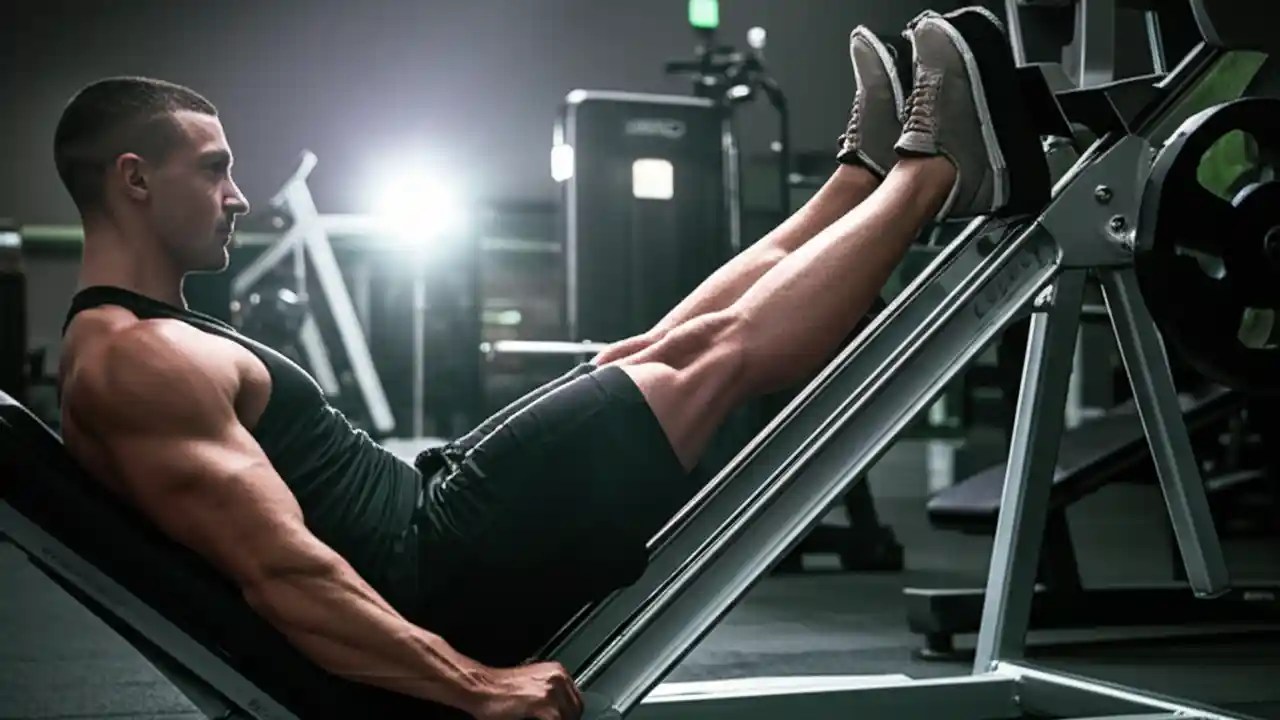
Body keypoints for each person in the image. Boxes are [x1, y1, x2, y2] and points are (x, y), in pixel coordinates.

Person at [54, 7, 1047, 720]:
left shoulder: (143, 337)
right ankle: (937, 172)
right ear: (134, 180)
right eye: (214, 167)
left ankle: (855, 181)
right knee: (707, 358)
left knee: (647, 348)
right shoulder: (133, 364)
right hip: (439, 566)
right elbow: (279, 570)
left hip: (432, 511)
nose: (239, 194)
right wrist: (472, 685)